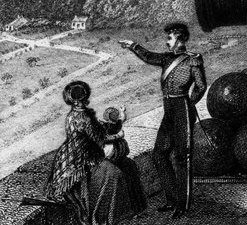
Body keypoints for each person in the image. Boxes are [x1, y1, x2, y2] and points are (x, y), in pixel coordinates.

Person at [119, 21, 206, 219]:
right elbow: (148, 56)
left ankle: (182, 206)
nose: (167, 42)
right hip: (169, 110)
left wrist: (190, 102)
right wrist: (133, 45)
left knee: (182, 159)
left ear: (179, 37)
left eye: (170, 38)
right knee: (159, 154)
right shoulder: (167, 59)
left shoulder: (193, 60)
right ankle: (172, 198)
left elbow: (200, 86)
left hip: (182, 108)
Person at [44, 81, 146, 225]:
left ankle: (127, 212)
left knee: (127, 165)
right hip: (82, 158)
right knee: (112, 174)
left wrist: (118, 121)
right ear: (83, 97)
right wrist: (119, 136)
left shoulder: (75, 113)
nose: (82, 102)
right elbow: (100, 139)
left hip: (76, 154)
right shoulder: (83, 116)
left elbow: (97, 129)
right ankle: (100, 219)